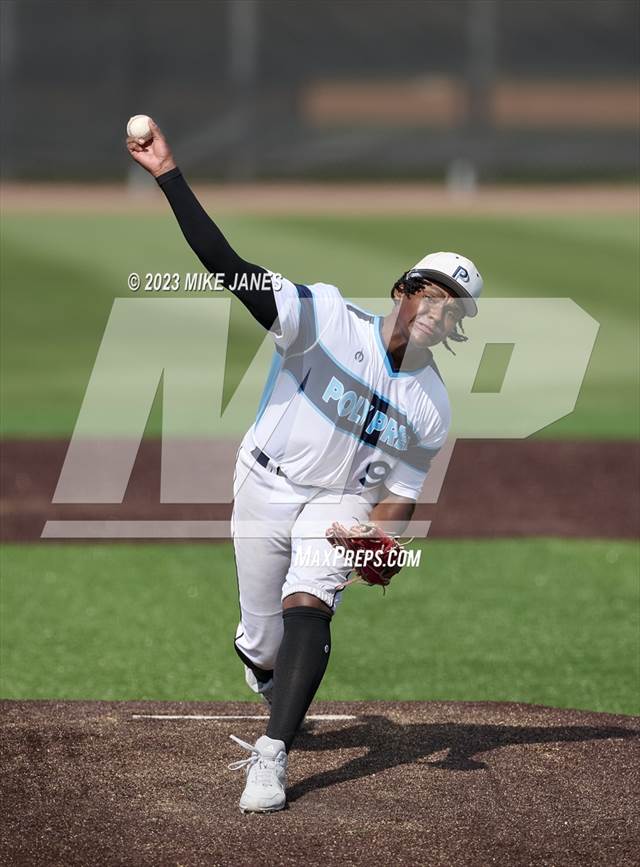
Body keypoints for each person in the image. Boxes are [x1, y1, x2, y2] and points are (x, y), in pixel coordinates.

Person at [127, 120, 483, 813]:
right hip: (264, 481)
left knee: (309, 604)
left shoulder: (432, 405)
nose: (438, 311)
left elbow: (399, 497)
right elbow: (228, 266)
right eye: (430, 293)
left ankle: (273, 752)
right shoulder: (322, 317)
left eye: (453, 307)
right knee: (263, 639)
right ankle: (266, 672)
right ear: (403, 290)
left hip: (337, 501)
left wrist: (382, 543)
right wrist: (169, 174)